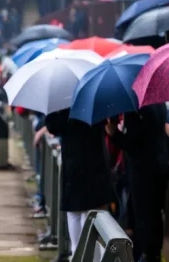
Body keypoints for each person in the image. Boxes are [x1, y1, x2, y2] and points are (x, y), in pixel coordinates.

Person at [45, 109, 113, 257]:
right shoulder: (94, 98)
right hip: (95, 166)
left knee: (77, 218)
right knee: (91, 218)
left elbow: (52, 125)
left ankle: (78, 255)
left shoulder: (64, 104)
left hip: (75, 167)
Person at [106, 104, 169, 262]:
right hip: (157, 165)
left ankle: (148, 255)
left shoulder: (137, 106)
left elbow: (133, 142)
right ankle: (151, 253)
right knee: (153, 216)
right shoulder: (158, 102)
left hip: (144, 170)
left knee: (145, 217)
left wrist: (114, 133)